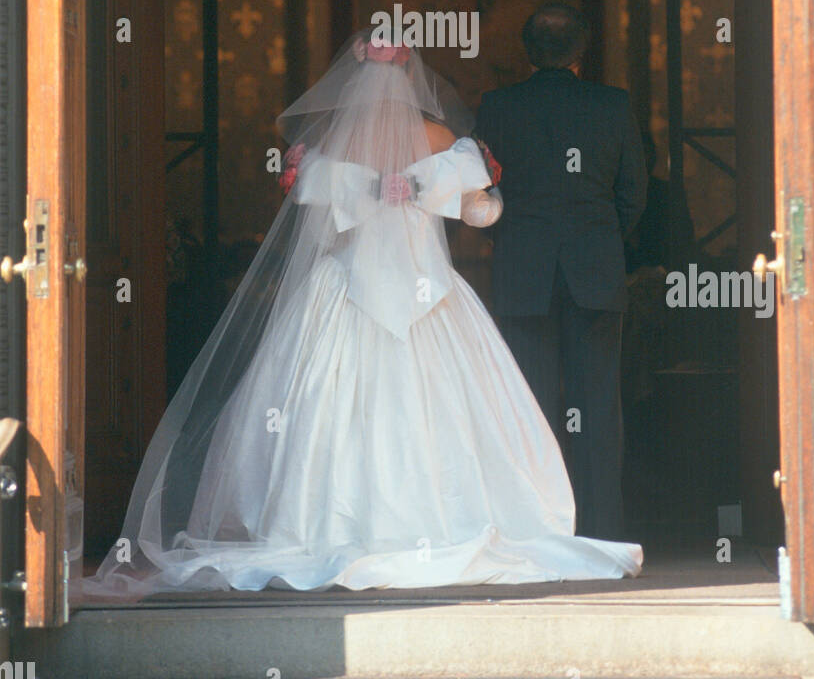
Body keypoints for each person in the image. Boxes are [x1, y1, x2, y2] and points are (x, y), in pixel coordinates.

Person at [84, 29, 641, 596]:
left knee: (316, 409)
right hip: (429, 295)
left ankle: (322, 527)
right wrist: (484, 194)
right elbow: (481, 216)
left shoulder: (334, 147)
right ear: (410, 77)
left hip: (344, 289)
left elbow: (320, 229)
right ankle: (453, 523)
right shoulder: (443, 139)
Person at [476, 4, 647, 541]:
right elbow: (633, 195)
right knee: (598, 409)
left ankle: (540, 534)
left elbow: (480, 197)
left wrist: (513, 240)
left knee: (530, 408)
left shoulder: (498, 106)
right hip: (594, 272)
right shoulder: (612, 105)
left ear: (528, 51)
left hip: (522, 274)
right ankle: (603, 535)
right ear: (582, 51)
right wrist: (594, 241)